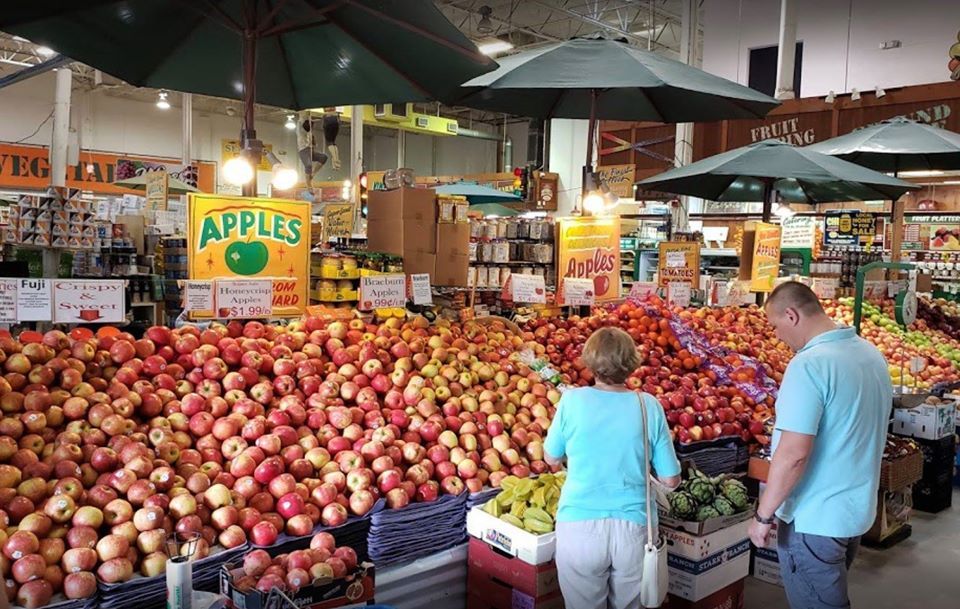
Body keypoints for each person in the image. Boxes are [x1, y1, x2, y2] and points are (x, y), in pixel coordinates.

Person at [749, 281, 892, 609]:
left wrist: (764, 514)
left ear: (792, 315)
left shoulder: (809, 365)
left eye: (776, 326)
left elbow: (793, 454)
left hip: (814, 519)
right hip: (854, 514)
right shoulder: (870, 354)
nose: (777, 336)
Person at [544, 327, 681, 609]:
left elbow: (551, 458)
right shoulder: (648, 406)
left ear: (589, 361)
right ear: (632, 363)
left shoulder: (571, 401)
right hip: (634, 529)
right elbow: (670, 479)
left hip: (579, 526)